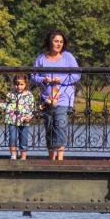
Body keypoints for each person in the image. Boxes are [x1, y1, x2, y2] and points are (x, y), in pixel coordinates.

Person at [32, 29, 79, 161]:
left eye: (61, 42)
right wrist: (43, 79)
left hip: (63, 97)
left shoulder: (68, 57)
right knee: (49, 126)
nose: (59, 44)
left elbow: (76, 75)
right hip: (47, 99)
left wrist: (62, 80)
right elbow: (33, 75)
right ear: (50, 42)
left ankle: (60, 159)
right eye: (56, 41)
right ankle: (51, 159)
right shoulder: (41, 58)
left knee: (60, 124)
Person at [0, 73, 36, 160]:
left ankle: (23, 157)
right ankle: (13, 155)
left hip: (24, 121)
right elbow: (7, 105)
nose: (18, 86)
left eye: (21, 84)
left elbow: (32, 108)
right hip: (12, 120)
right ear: (14, 84)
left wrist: (30, 117)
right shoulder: (10, 94)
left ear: (25, 84)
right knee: (12, 138)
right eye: (16, 84)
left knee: (24, 139)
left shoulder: (29, 95)